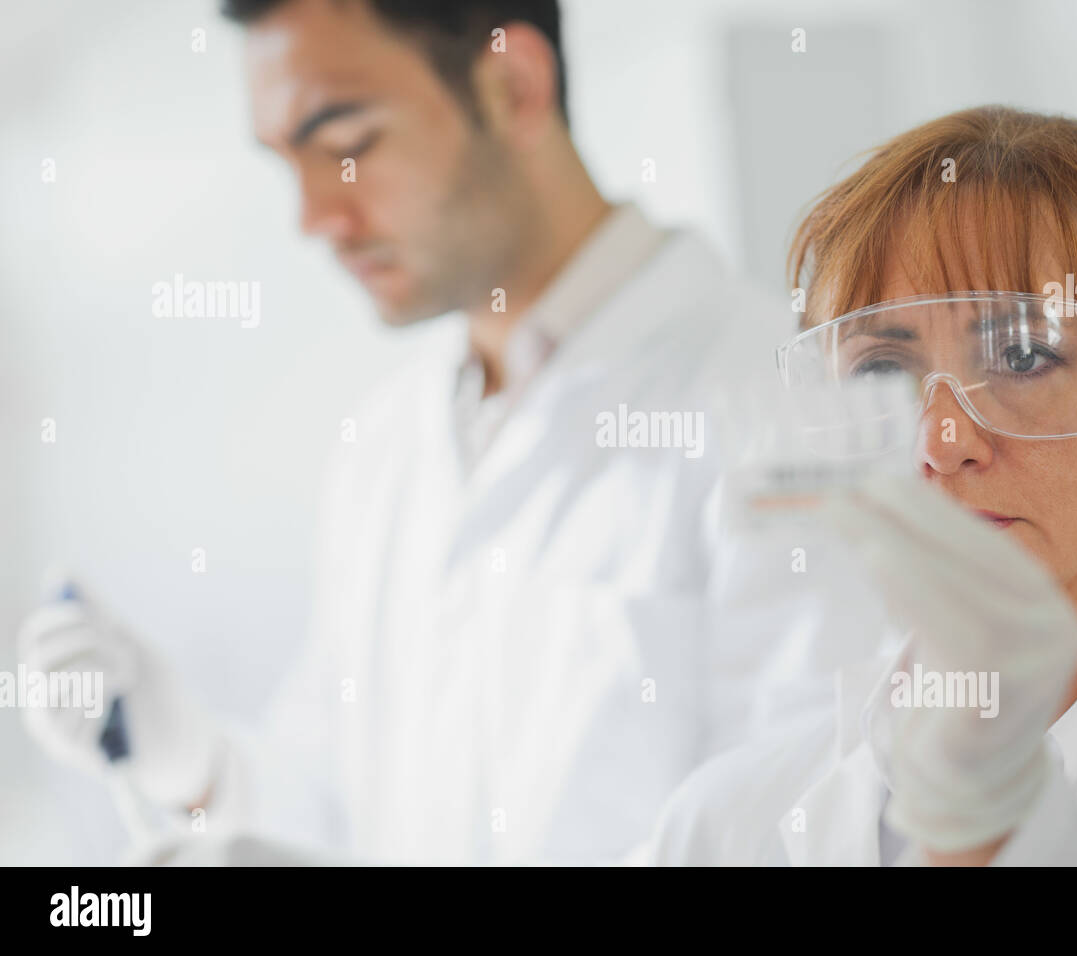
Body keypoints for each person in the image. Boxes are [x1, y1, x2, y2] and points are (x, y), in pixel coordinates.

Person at [16, 0, 855, 865]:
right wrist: (193, 763)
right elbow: (340, 805)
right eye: (287, 163)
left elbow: (801, 834)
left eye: (345, 145)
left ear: (512, 86)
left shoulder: (783, 404)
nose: (311, 216)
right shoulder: (387, 447)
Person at [644, 106, 1077, 866]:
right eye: (884, 371)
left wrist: (995, 818)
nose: (942, 441)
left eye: (1023, 356)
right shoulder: (724, 827)